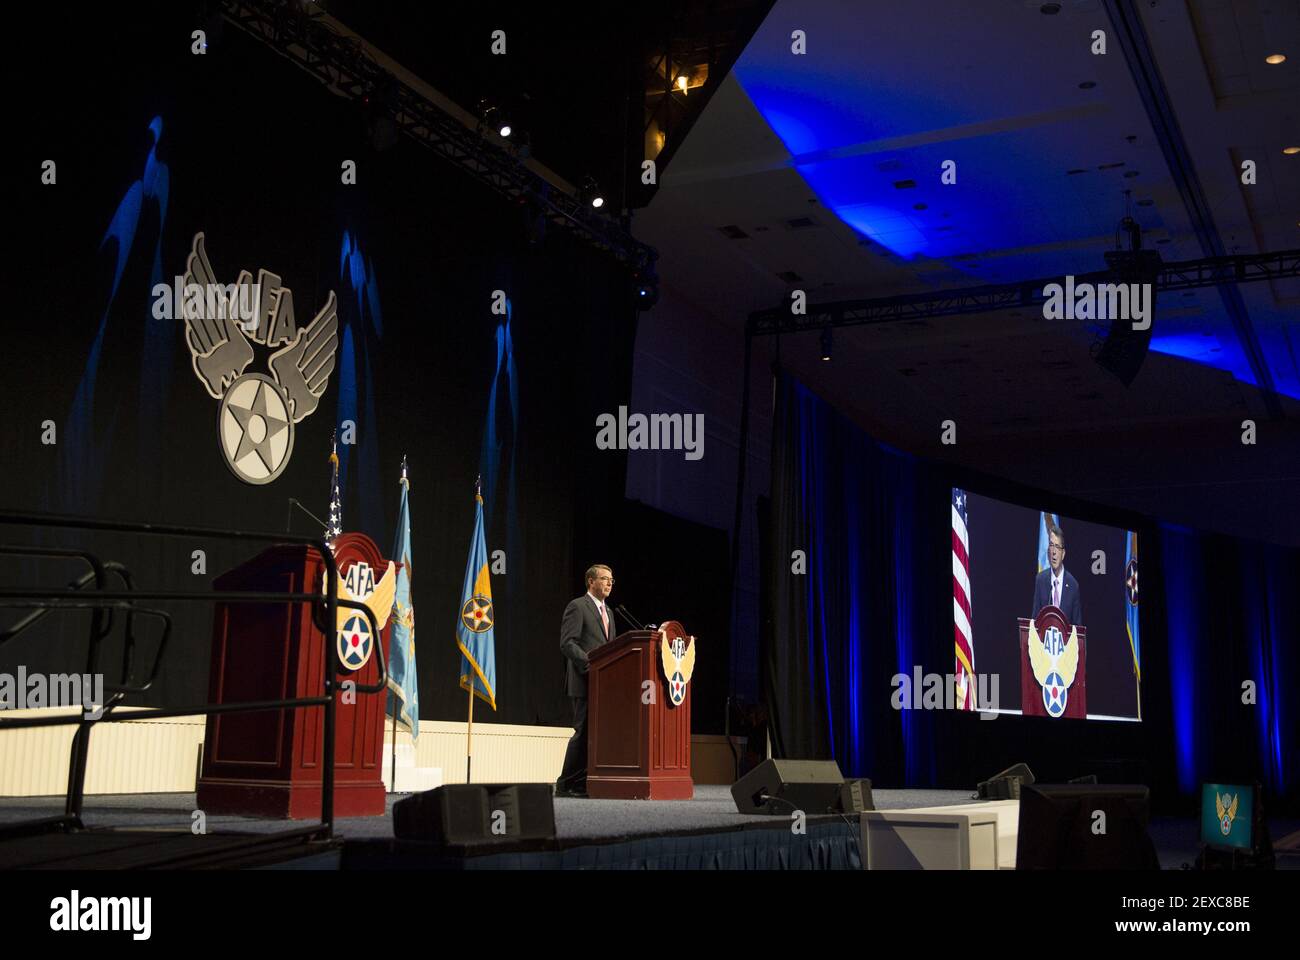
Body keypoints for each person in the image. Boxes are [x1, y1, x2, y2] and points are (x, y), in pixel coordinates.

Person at [556, 564, 615, 797]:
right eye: (604, 579)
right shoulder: (578, 606)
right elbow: (567, 643)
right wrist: (592, 663)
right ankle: (565, 784)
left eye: (611, 580)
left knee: (596, 735)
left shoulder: (609, 612)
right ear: (591, 582)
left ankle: (584, 782)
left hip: (603, 683)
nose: (609, 583)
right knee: (582, 733)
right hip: (583, 680)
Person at [1032, 521, 1082, 626]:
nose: (1054, 551)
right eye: (1051, 545)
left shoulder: (1073, 585)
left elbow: (1077, 628)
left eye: (1057, 547)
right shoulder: (1040, 580)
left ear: (1063, 554)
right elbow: (1035, 621)